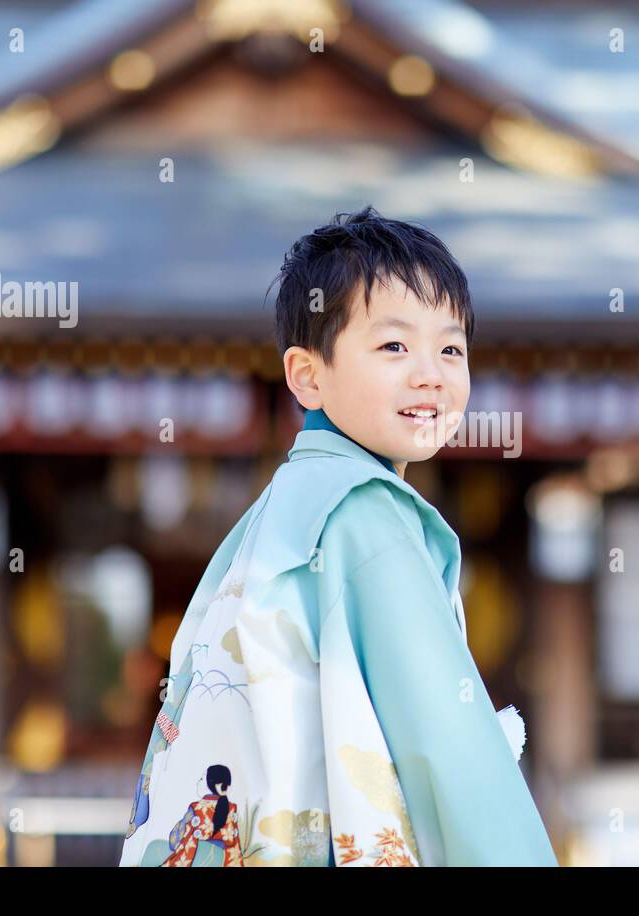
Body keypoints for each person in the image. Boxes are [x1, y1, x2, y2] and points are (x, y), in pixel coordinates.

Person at [120, 206, 558, 867]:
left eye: (451, 348)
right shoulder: (364, 515)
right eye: (393, 346)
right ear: (307, 375)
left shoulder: (268, 521)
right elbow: (450, 750)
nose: (431, 374)